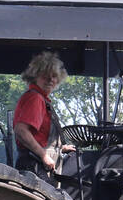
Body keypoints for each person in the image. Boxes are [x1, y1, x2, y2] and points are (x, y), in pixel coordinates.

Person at [12, 50, 75, 179]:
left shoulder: (41, 99)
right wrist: (44, 155)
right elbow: (21, 131)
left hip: (37, 164)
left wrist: (60, 148)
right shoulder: (35, 98)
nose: (51, 79)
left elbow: (40, 138)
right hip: (34, 166)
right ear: (35, 76)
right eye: (46, 75)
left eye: (54, 76)